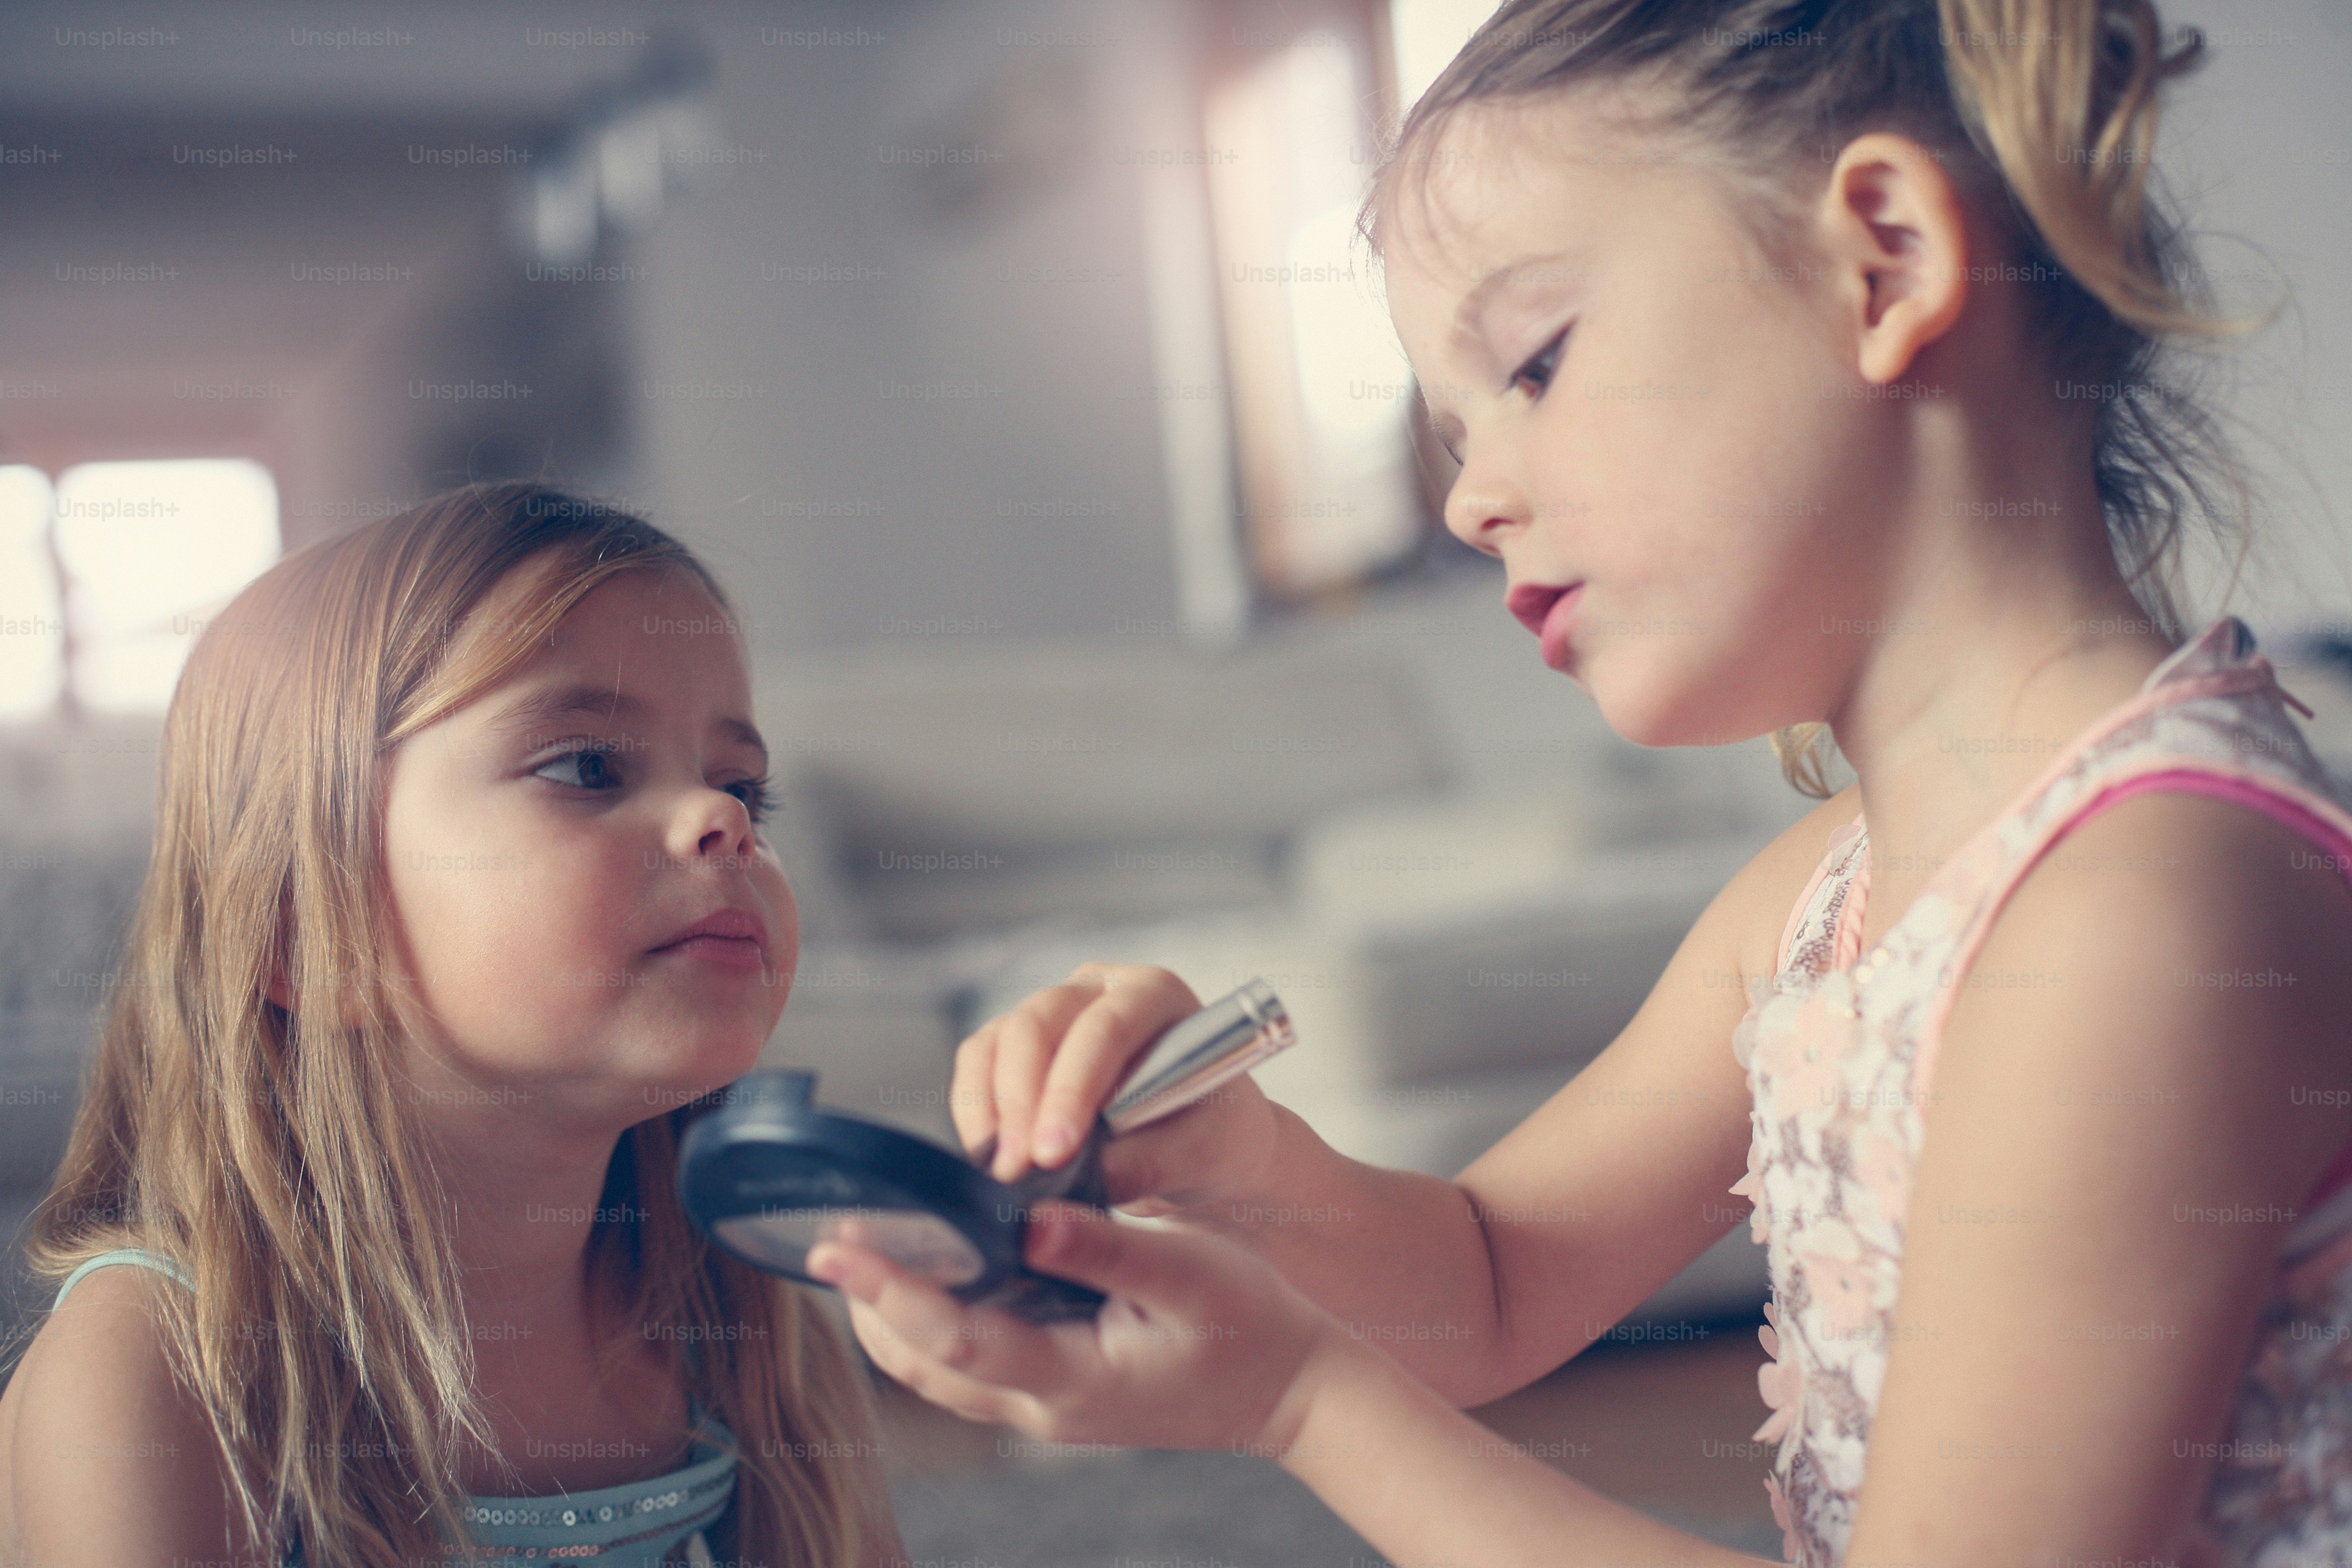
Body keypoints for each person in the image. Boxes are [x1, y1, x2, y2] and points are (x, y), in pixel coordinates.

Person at [804, 2, 2352, 1564]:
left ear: (1881, 259)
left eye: (1534, 365)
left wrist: (1304, 1407)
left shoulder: (2148, 909)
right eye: (1450, 432)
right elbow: (1488, 1282)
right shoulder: (1820, 899)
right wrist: (1237, 1164)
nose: (1472, 500)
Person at [0, 485, 903, 1567]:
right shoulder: (157, 1371)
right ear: (305, 932)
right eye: (585, 767)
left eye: (745, 789)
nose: (721, 821)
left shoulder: (749, 1325)